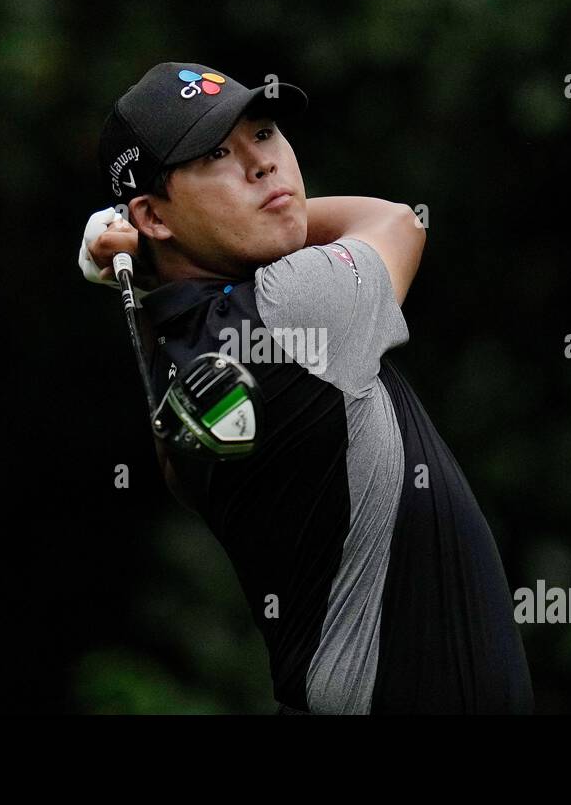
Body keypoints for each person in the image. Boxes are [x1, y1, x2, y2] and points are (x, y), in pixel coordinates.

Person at [80, 62, 532, 715]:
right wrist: (147, 250)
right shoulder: (295, 307)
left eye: (263, 133)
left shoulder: (177, 356)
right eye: (215, 154)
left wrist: (153, 249)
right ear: (150, 214)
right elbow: (398, 221)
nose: (262, 165)